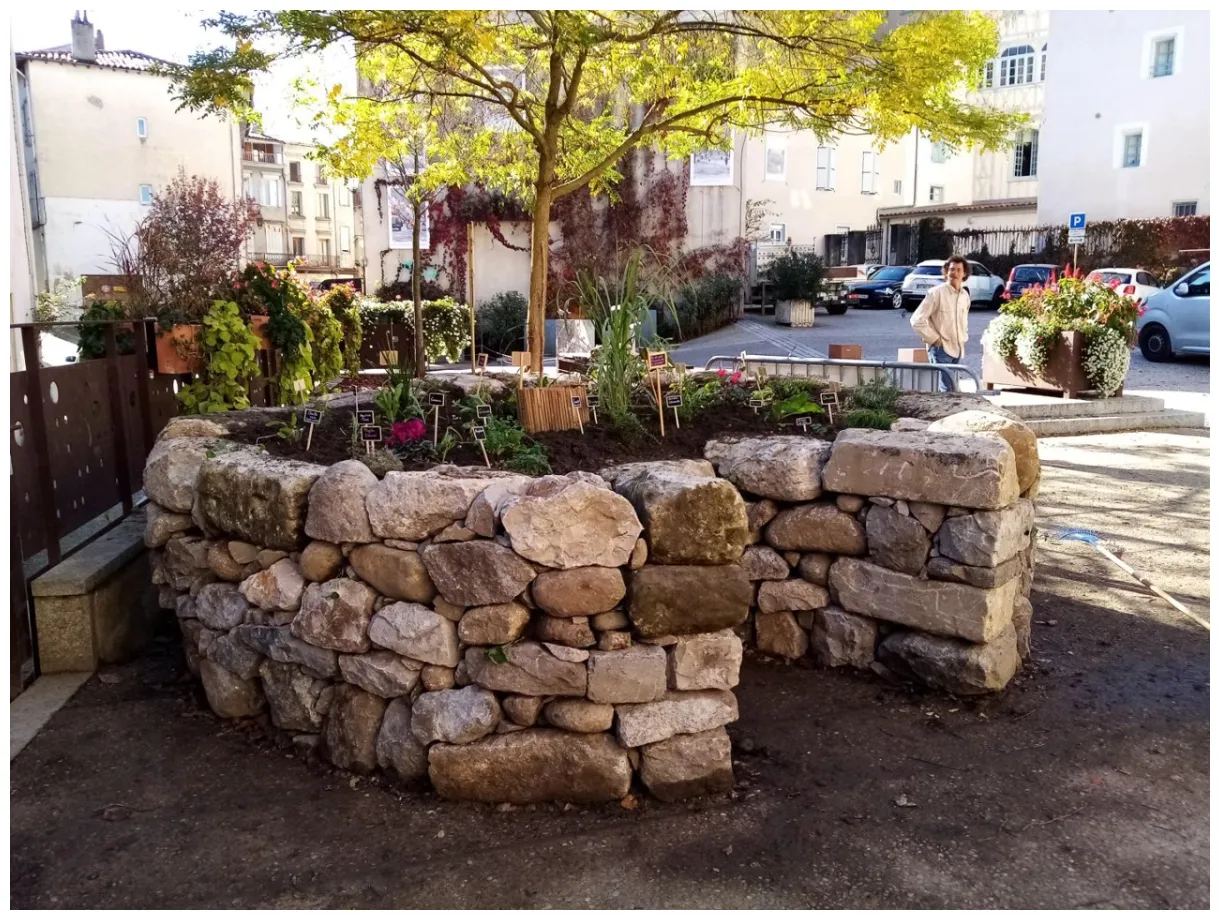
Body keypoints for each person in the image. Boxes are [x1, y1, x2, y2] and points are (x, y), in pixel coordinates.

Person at [909, 256, 971, 392]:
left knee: (953, 388)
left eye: (958, 270)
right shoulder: (936, 293)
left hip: (958, 349)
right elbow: (916, 320)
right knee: (947, 389)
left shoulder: (964, 296)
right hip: (941, 349)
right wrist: (935, 340)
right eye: (951, 269)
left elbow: (963, 321)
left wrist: (963, 338)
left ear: (964, 274)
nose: (954, 273)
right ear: (946, 272)